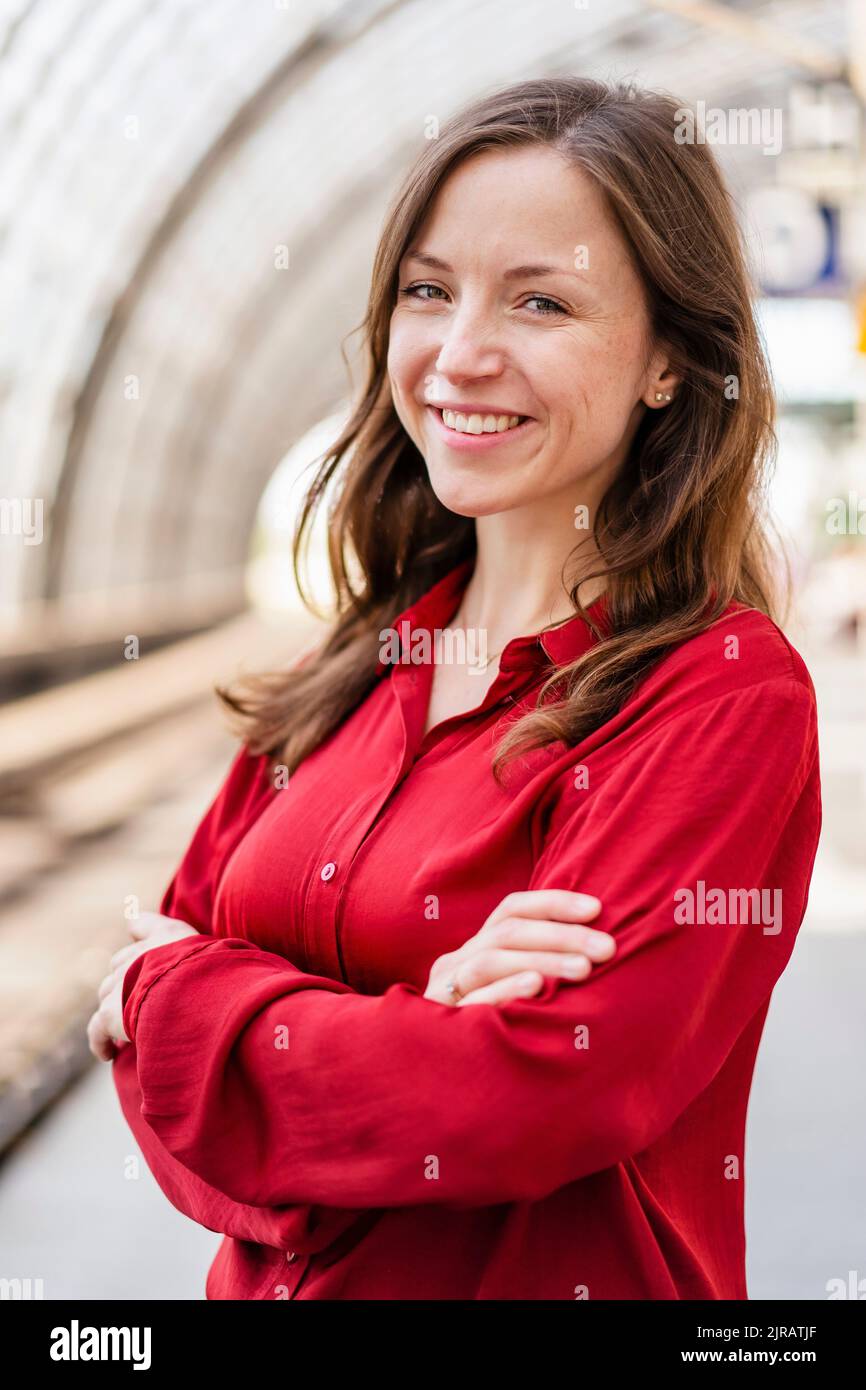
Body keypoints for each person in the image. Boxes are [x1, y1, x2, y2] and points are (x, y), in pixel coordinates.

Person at [88, 76, 822, 1300]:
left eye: (540, 301)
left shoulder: (720, 699)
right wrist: (414, 1026)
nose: (459, 354)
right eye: (429, 290)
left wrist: (199, 1010)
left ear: (667, 364)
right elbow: (155, 1087)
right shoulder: (355, 664)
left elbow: (525, 1098)